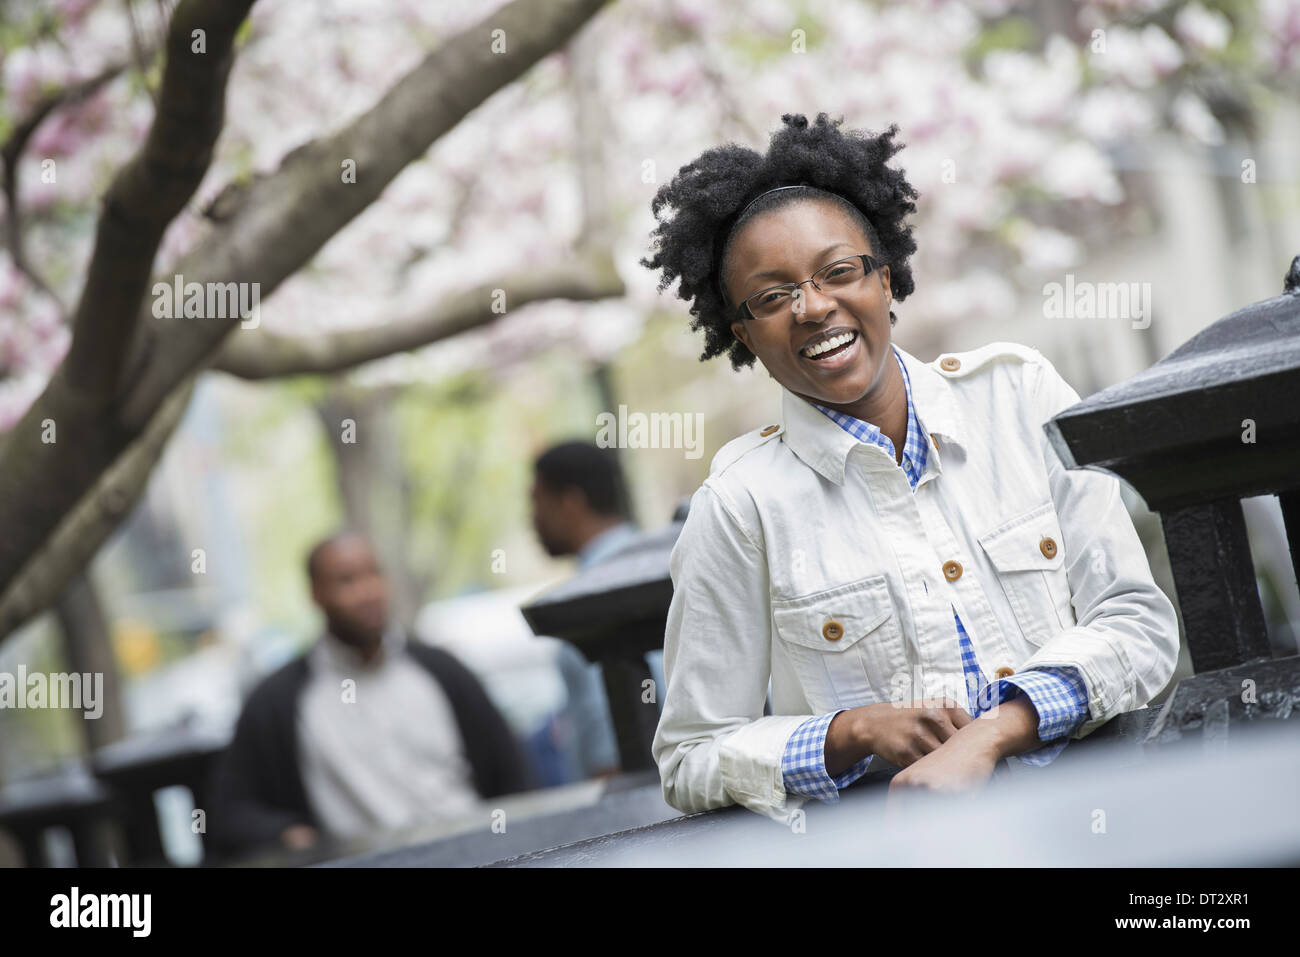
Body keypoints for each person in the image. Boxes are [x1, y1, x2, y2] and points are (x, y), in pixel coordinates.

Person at [641, 113, 1179, 821]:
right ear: (743, 332)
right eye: (772, 297)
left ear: (885, 278)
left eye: (838, 272)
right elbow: (691, 756)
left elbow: (1139, 624)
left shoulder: (1018, 396)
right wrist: (849, 732)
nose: (812, 307)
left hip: (1111, 819)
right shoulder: (740, 504)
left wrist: (995, 731)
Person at [207, 532, 529, 856]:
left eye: (374, 574)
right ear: (316, 594)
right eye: (347, 580)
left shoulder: (443, 672)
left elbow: (515, 775)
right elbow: (230, 811)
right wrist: (289, 833)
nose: (368, 592)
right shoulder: (278, 702)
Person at [530, 441, 664, 778]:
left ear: (571, 503)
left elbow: (613, 753)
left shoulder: (590, 605)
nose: (532, 519)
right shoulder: (663, 564)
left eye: (537, 501)